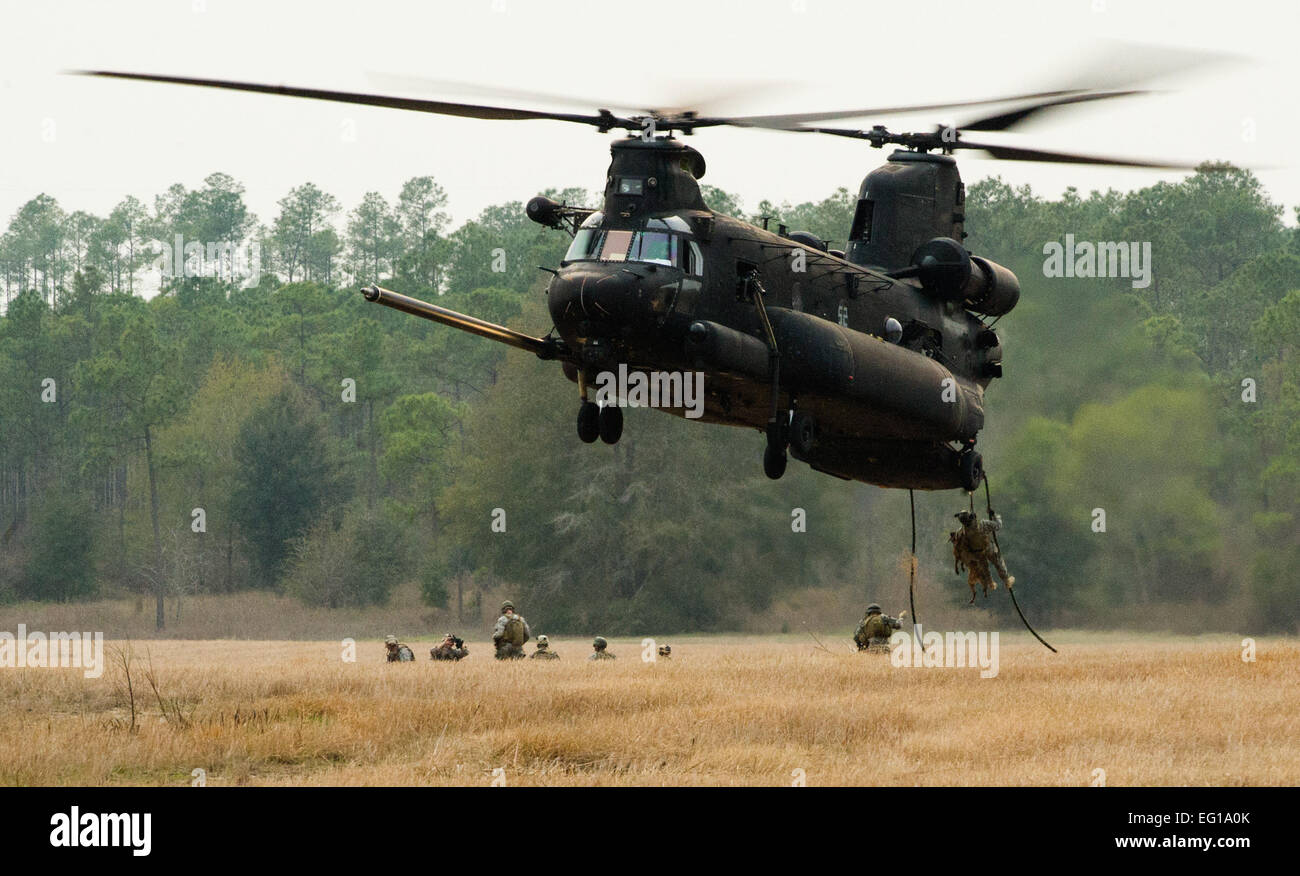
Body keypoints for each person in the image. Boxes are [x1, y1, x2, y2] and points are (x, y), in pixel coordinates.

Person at [950, 509, 1015, 603]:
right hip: (988, 549)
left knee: (986, 569)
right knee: (998, 564)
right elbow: (998, 525)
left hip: (977, 554)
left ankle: (991, 583)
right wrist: (994, 515)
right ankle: (1006, 580)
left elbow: (960, 545)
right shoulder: (982, 524)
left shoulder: (962, 532)